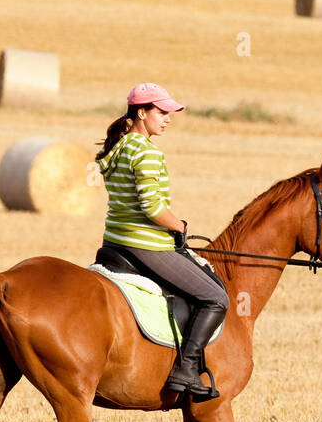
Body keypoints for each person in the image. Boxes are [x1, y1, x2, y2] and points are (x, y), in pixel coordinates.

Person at [96, 82, 229, 400]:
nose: (168, 118)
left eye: (170, 112)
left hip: (116, 243)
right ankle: (185, 371)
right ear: (141, 113)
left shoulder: (118, 149)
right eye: (162, 111)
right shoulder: (147, 152)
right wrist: (179, 226)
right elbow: (153, 207)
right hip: (146, 246)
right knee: (216, 297)